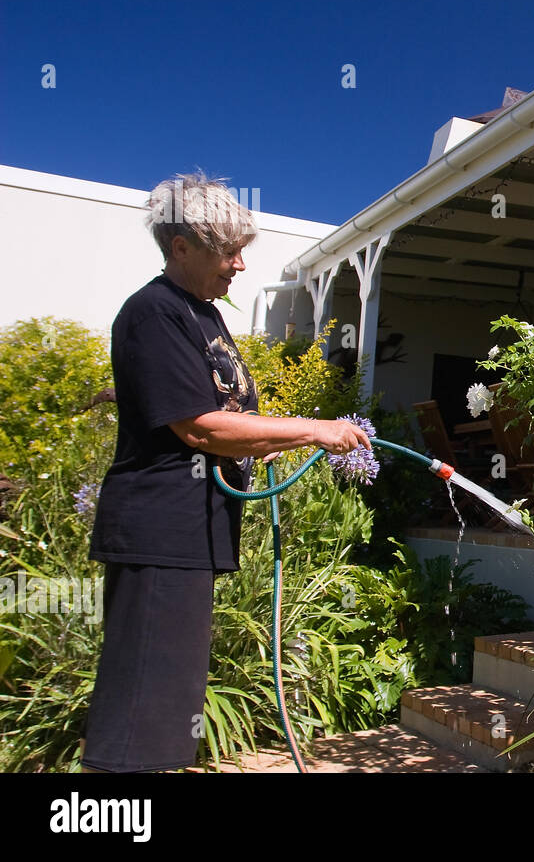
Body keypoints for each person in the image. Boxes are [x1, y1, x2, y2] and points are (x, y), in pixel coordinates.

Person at [80, 171, 371, 773]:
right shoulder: (154, 313)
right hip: (159, 530)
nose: (240, 265)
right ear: (180, 246)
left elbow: (234, 424)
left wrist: (275, 440)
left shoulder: (204, 315)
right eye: (227, 251)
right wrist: (313, 429)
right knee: (143, 707)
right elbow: (201, 427)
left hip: (194, 534)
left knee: (167, 702)